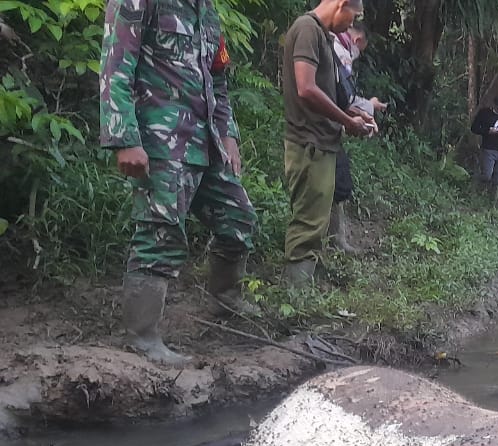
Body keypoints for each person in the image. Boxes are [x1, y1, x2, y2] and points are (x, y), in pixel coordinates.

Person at [100, 0, 258, 367]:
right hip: (159, 138)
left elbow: (217, 77)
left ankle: (226, 302)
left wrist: (229, 134)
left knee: (239, 221)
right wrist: (125, 139)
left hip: (206, 141)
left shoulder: (207, 10)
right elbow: (115, 65)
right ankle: (142, 338)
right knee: (160, 232)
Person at [281, 0, 374, 288]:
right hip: (309, 143)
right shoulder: (307, 29)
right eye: (353, 16)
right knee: (308, 223)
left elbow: (324, 94)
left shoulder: (323, 36)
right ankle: (295, 299)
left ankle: (304, 288)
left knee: (316, 221)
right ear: (340, 4)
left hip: (322, 142)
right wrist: (347, 123)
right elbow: (306, 88)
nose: (351, 25)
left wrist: (350, 114)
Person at [329, 24, 386, 256]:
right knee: (337, 185)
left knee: (338, 184)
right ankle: (329, 244)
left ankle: (334, 240)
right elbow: (342, 96)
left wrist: (359, 113)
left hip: (330, 127)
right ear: (359, 39)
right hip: (321, 130)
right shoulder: (339, 51)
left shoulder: (331, 44)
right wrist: (366, 108)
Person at [470, 96, 498, 201]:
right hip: (488, 148)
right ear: (494, 105)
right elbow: (474, 128)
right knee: (486, 175)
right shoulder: (485, 114)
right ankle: (477, 192)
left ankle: (492, 202)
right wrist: (488, 131)